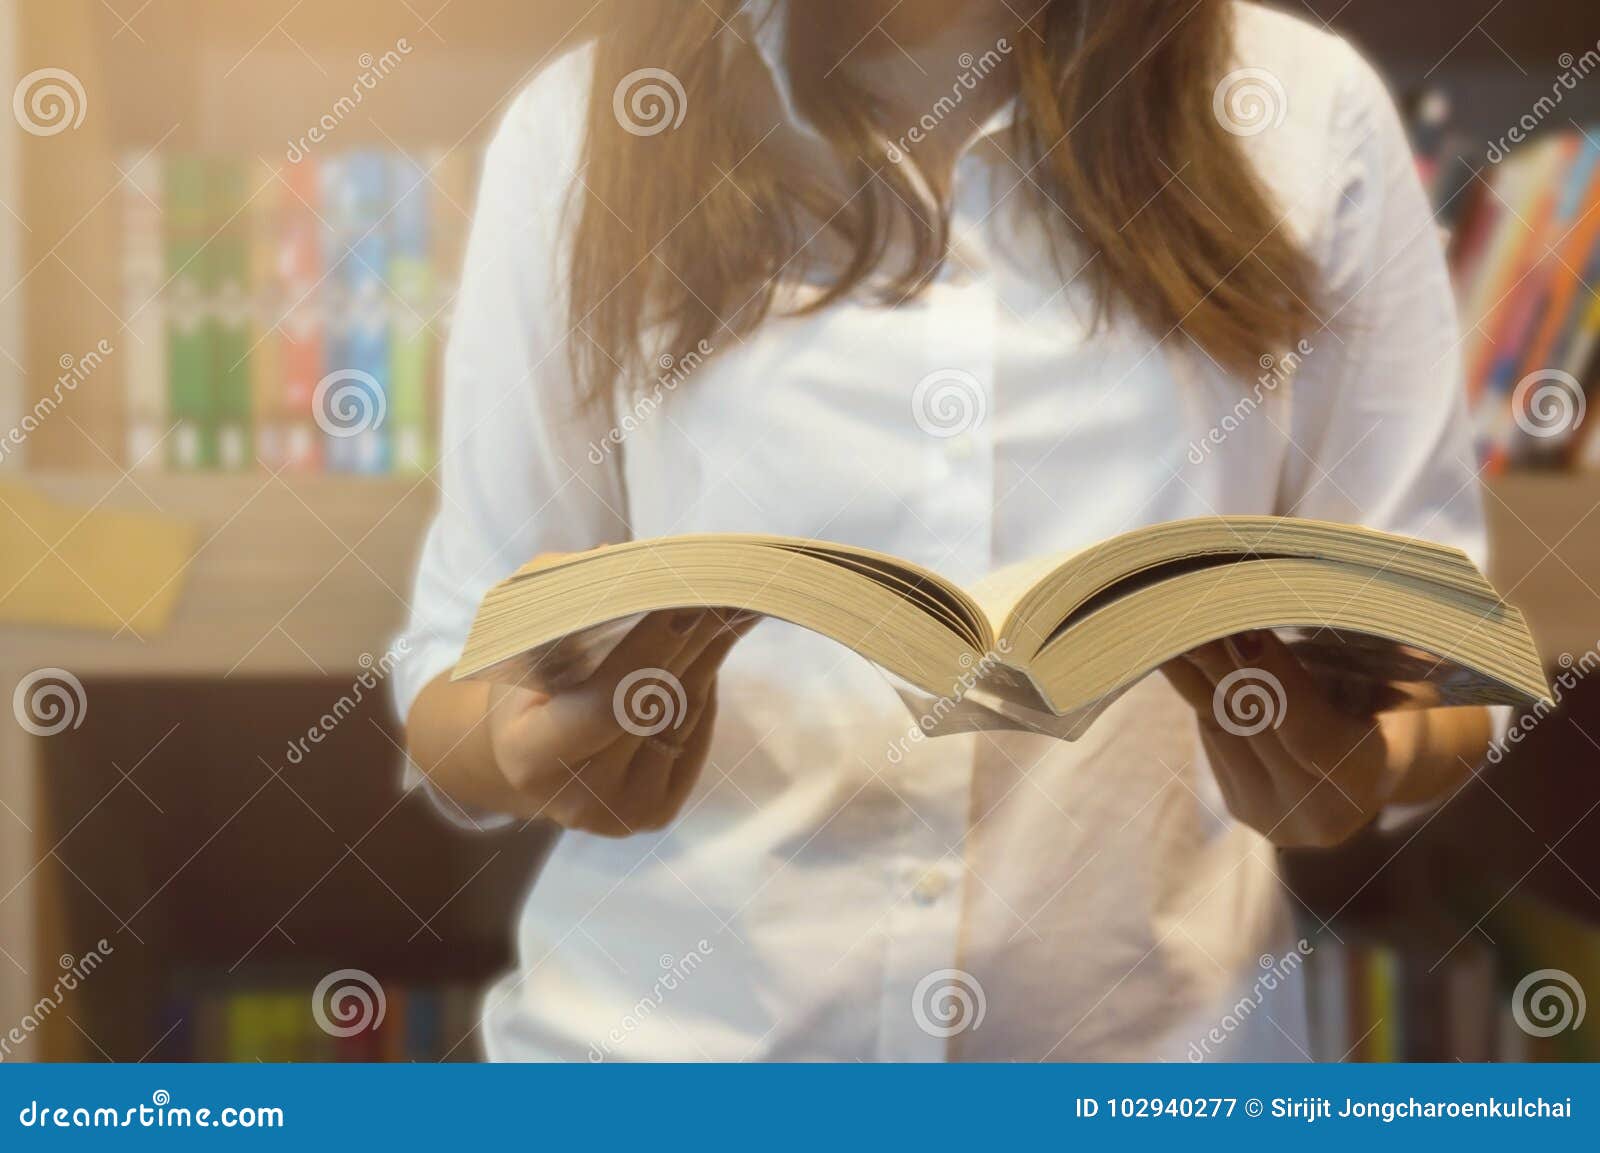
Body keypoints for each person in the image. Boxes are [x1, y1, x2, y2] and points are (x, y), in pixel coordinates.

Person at [394, 0, 1497, 1060]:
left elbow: (1439, 659)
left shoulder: (1302, 111)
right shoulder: (590, 126)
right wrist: (521, 747)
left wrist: (1366, 759)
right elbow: (450, 667)